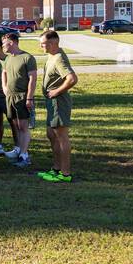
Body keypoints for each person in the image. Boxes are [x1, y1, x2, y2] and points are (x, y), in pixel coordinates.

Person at [38, 29, 77, 182]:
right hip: (51, 101)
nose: (41, 47)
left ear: (53, 43)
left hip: (58, 101)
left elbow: (72, 79)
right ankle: (56, 169)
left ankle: (65, 174)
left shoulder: (59, 58)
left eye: (44, 44)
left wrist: (57, 92)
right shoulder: (51, 56)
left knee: (61, 137)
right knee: (51, 135)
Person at [1, 32, 37, 168]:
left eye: (4, 43)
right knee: (17, 126)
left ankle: (24, 155)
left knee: (23, 126)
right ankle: (20, 150)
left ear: (11, 42)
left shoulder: (27, 58)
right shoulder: (8, 59)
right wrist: (4, 87)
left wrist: (29, 97)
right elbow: (4, 73)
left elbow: (33, 79)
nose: (3, 46)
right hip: (10, 97)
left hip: (22, 96)